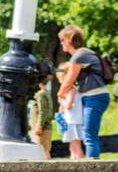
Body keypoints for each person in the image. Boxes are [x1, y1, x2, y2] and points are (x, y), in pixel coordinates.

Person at [56, 25, 109, 159]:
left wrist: (60, 94)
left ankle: (93, 168)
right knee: (88, 133)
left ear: (69, 40)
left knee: (89, 134)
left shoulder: (79, 56)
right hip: (92, 97)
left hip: (95, 97)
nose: (61, 43)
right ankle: (91, 164)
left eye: (62, 40)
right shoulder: (82, 54)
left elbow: (68, 81)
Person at [28, 73, 55, 159]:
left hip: (42, 128)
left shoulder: (40, 94)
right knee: (45, 150)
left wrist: (39, 126)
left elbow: (42, 111)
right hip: (46, 127)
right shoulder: (46, 93)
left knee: (42, 151)